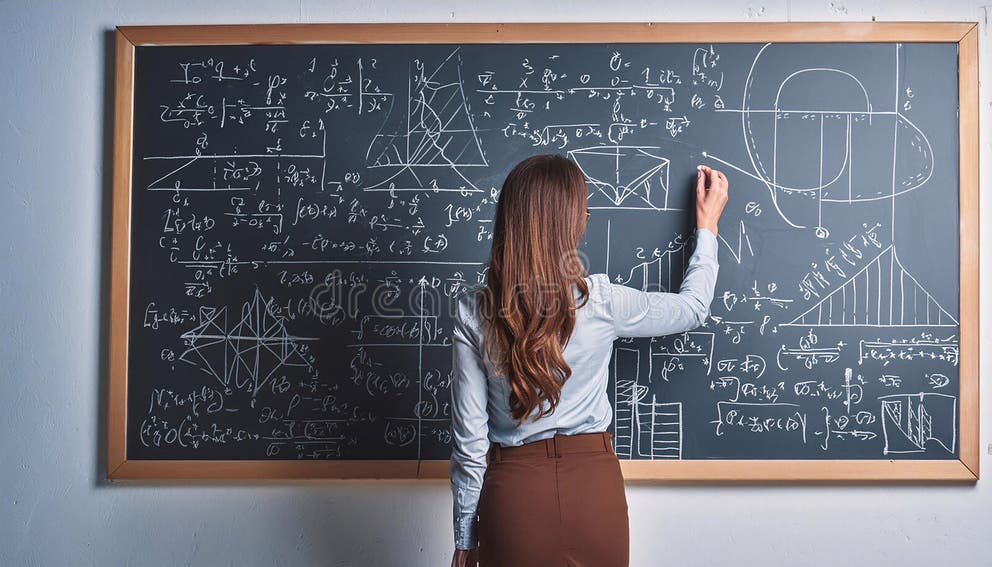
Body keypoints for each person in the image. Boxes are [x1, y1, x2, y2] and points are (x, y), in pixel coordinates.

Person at [448, 154, 728, 567]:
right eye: (584, 210)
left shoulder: (475, 310)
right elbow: (692, 308)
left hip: (514, 499)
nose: (586, 218)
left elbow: (470, 444)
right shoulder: (601, 301)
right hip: (594, 492)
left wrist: (465, 537)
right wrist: (707, 229)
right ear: (568, 223)